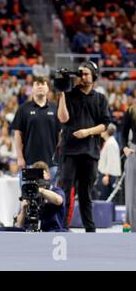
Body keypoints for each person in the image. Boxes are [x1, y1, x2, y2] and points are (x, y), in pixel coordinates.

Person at [57, 61, 111, 232]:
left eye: (86, 73)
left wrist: (87, 132)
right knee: (65, 190)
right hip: (70, 150)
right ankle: (62, 226)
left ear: (94, 76)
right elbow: (63, 118)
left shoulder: (100, 98)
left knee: (86, 193)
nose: (82, 76)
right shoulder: (70, 94)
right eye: (80, 73)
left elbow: (104, 125)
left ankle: (90, 229)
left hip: (89, 151)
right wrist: (63, 92)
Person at [11, 76, 60, 180]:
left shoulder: (55, 109)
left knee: (50, 195)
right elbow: (17, 134)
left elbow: (60, 135)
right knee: (28, 195)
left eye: (43, 84)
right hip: (29, 162)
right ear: (32, 88)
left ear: (48, 89)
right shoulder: (23, 109)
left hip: (52, 163)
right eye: (37, 84)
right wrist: (20, 158)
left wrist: (60, 157)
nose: (40, 86)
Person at [15, 161, 65, 232]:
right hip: (29, 230)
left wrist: (40, 190)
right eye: (35, 175)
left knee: (62, 232)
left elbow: (58, 200)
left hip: (51, 230)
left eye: (41, 175)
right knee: (4, 229)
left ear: (48, 175)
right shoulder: (28, 192)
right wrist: (23, 210)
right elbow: (19, 225)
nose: (38, 178)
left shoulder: (56, 191)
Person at [96, 124, 121, 200]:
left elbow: (111, 160)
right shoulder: (108, 142)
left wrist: (107, 176)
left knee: (106, 199)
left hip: (108, 175)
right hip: (106, 174)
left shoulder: (111, 143)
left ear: (106, 131)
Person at [122, 102, 136, 231]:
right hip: (134, 151)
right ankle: (131, 225)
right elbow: (123, 132)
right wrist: (125, 148)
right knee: (131, 190)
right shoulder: (131, 111)